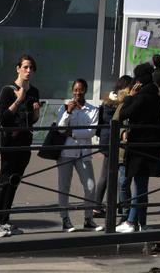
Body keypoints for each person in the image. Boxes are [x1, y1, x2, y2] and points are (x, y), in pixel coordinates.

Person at [117, 62, 160, 232]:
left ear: (139, 80)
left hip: (139, 147)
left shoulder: (141, 97)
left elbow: (123, 114)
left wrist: (129, 97)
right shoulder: (156, 97)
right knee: (142, 186)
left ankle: (131, 222)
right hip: (152, 147)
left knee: (138, 187)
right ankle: (143, 223)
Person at [0, 54, 41, 237]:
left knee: (15, 181)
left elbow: (33, 120)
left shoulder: (34, 91)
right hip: (10, 141)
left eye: (31, 68)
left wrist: (36, 112)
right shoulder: (8, 90)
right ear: (18, 68)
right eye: (25, 67)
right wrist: (18, 100)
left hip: (25, 142)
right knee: (4, 180)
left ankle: (5, 220)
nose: (28, 71)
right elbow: (3, 118)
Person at [56, 78, 100, 232]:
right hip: (66, 152)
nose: (77, 93)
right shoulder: (65, 107)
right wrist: (68, 112)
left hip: (83, 152)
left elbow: (91, 131)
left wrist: (72, 133)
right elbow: (61, 128)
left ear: (85, 90)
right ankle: (65, 219)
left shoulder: (93, 110)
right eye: (75, 90)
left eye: (80, 90)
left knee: (90, 186)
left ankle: (88, 219)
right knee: (64, 186)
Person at [95, 74, 135, 219]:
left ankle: (106, 205)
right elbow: (116, 118)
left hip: (107, 139)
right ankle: (98, 206)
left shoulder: (109, 97)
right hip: (112, 140)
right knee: (109, 176)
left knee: (110, 175)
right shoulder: (117, 100)